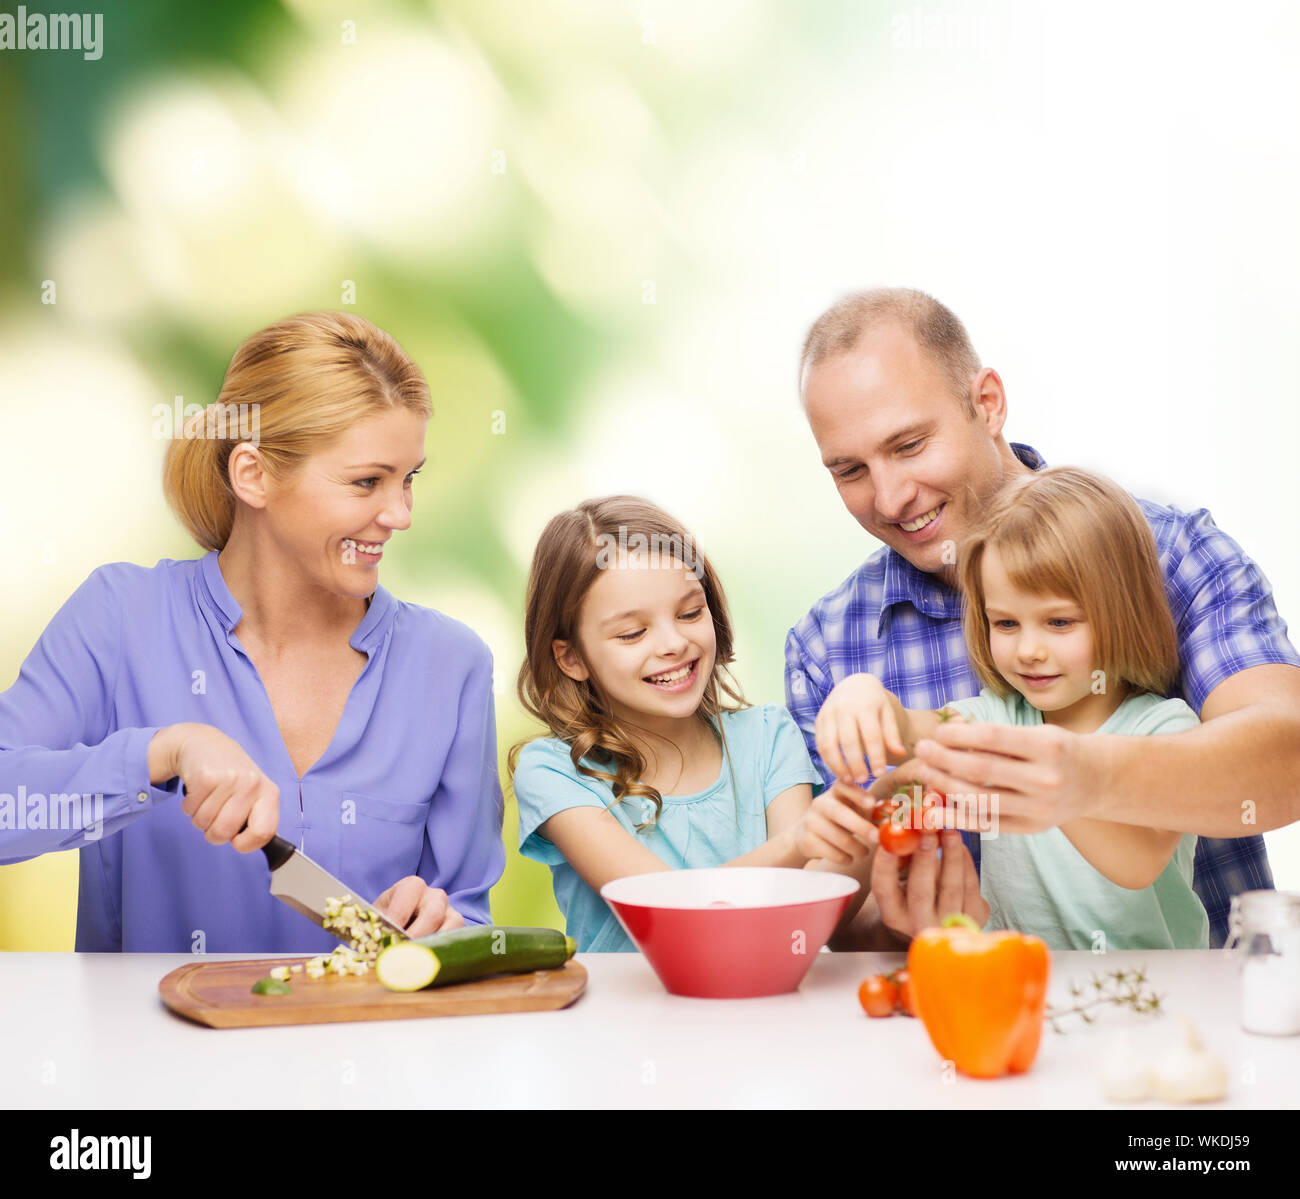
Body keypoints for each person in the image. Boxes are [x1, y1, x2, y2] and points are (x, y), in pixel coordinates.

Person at [786, 287, 1300, 948]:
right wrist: (896, 926)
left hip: (1197, 1017)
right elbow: (824, 920)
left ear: (988, 402)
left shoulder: (1166, 552)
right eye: (850, 469)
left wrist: (1087, 776)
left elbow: (1288, 758)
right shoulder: (827, 644)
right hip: (981, 1012)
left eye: (910, 444)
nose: (890, 497)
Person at [0, 312, 505, 951]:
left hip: (372, 1048)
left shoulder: (450, 665)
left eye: (409, 480)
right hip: (150, 1050)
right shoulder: (120, 618)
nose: (399, 514)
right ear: (254, 475)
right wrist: (162, 752)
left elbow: (471, 921)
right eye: (366, 482)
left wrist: (445, 923)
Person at [814, 466, 1209, 950]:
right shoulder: (997, 717)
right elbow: (910, 731)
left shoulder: (1166, 728)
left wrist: (1047, 776)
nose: (1028, 650)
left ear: (1124, 611)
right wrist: (861, 692)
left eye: (1059, 622)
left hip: (1141, 994)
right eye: (1005, 624)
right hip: (1020, 986)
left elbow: (1137, 862)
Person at [508, 496, 875, 951]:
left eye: (689, 613)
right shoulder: (555, 772)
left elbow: (803, 906)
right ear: (571, 657)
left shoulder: (770, 736)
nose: (674, 643)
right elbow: (667, 911)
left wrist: (875, 818)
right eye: (632, 633)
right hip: (624, 1019)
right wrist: (800, 841)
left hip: (767, 1005)